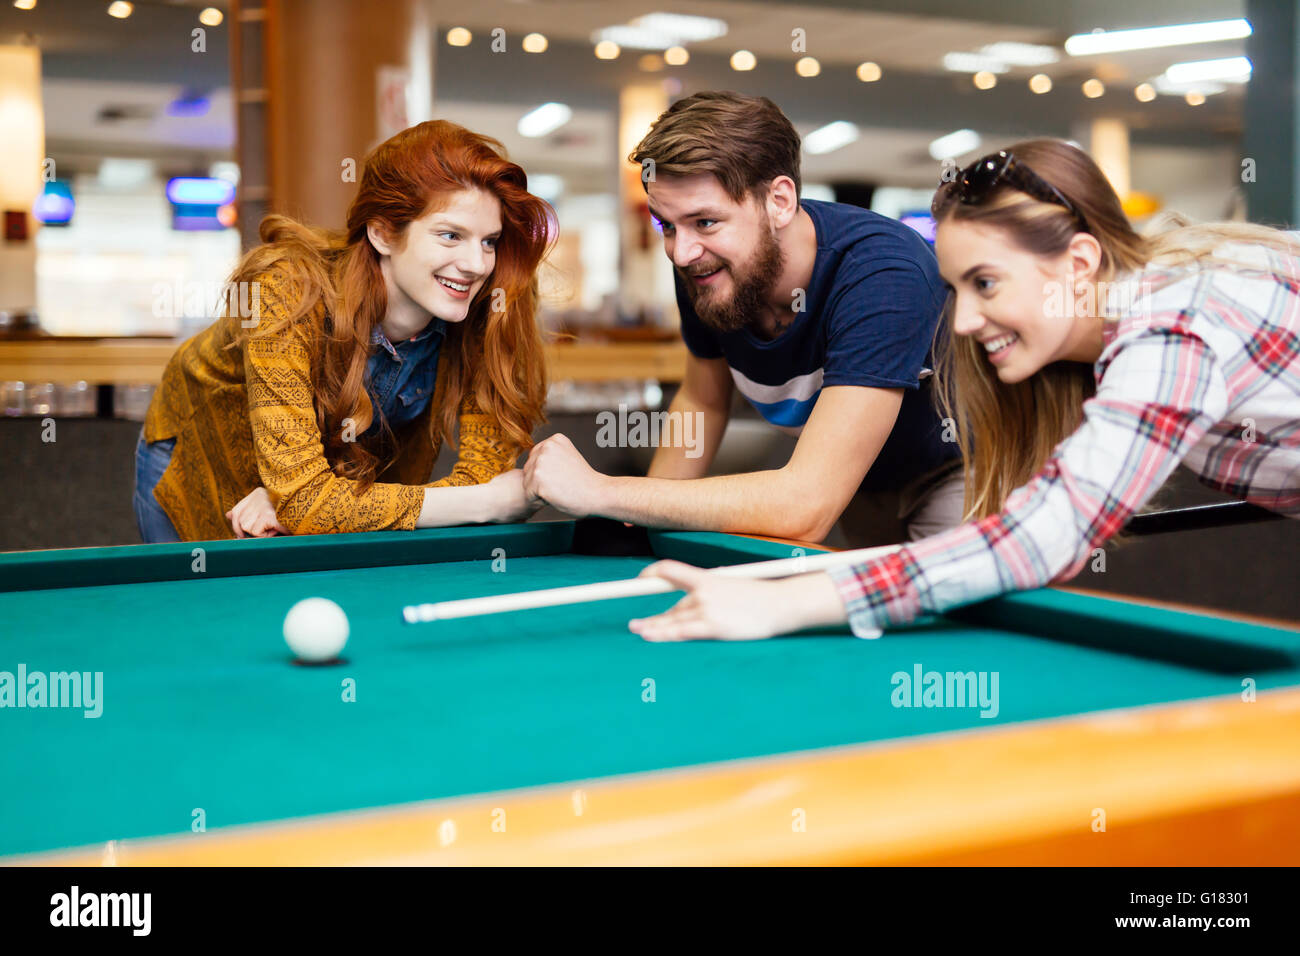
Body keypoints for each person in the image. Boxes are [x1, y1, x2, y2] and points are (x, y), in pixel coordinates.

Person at [627, 138, 1300, 641]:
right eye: (957, 289)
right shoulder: (1130, 326)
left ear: (1080, 263)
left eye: (985, 283)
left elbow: (1043, 536)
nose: (967, 321)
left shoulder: (1173, 328)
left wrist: (788, 601)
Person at [524, 91, 962, 546]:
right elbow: (703, 400)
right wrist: (641, 532)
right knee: (869, 611)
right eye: (667, 225)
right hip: (855, 481)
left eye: (706, 222)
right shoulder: (705, 267)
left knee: (947, 612)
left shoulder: (884, 272)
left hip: (956, 468)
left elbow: (805, 505)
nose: (682, 251)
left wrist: (604, 492)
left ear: (779, 201)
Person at [134, 120, 550, 542]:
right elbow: (489, 497)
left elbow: (482, 474)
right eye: (450, 235)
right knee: (218, 607)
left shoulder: (489, 302)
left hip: (338, 481)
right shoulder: (286, 290)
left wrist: (303, 502)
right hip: (205, 457)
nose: (477, 265)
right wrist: (300, 502)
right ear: (383, 233)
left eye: (489, 241)